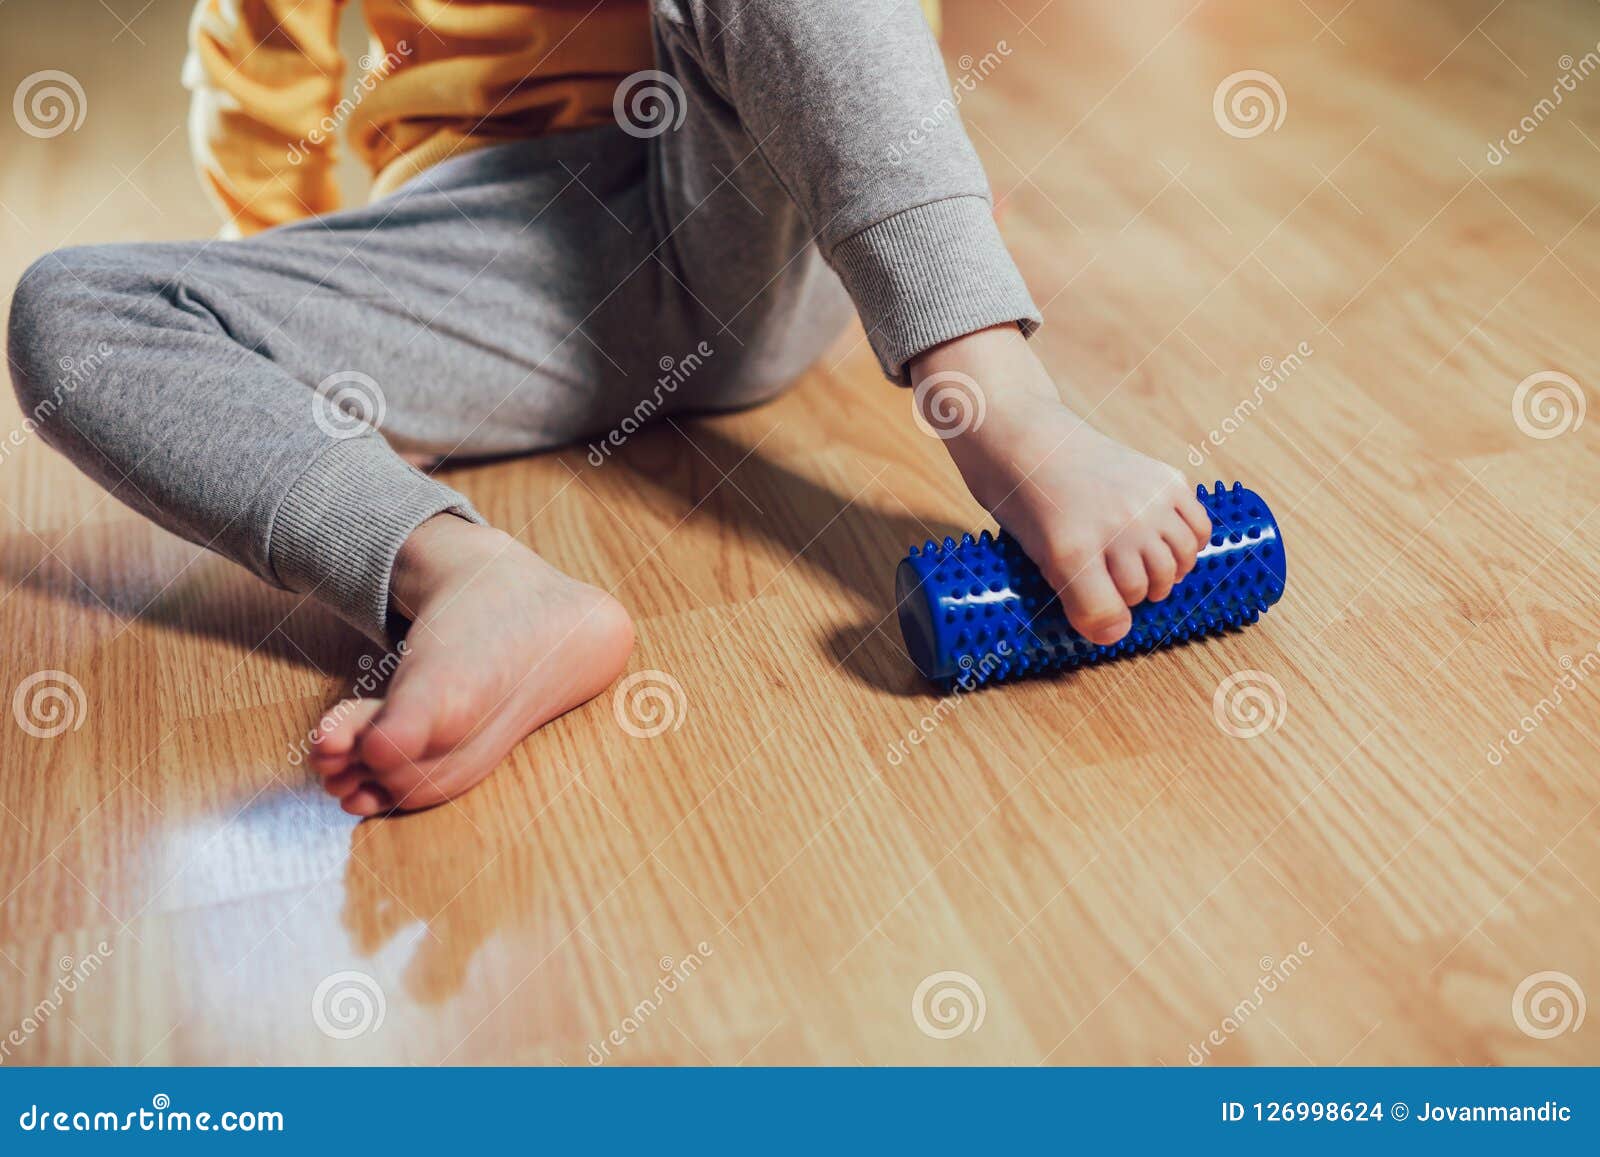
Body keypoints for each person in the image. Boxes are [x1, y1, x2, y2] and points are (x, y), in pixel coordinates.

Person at [6, 0, 1209, 815]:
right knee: (71, 308)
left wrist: (906, 187)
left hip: (732, 183)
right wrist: (307, 350)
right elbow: (264, 82)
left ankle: (997, 398)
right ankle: (463, 577)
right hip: (493, 252)